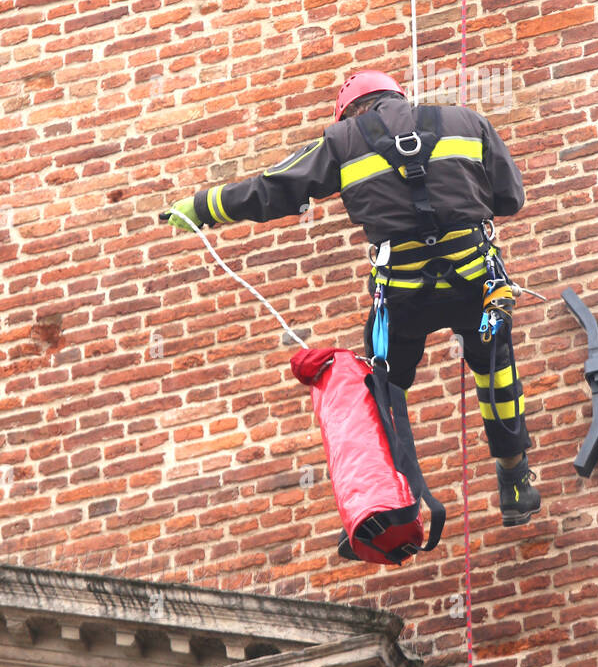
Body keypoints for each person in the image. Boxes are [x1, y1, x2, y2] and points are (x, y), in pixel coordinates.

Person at [166, 70, 541, 527]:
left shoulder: (342, 142)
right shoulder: (466, 121)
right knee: (496, 371)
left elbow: (274, 188)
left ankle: (390, 504)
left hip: (404, 299)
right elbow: (510, 198)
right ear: (400, 96)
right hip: (475, 285)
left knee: (381, 389)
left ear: (349, 113)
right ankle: (514, 481)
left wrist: (202, 208)